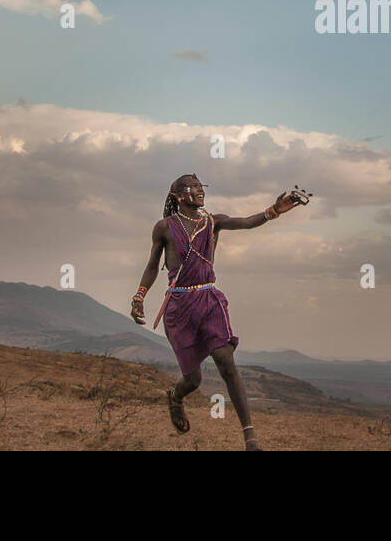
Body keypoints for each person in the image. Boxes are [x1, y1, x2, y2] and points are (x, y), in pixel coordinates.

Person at [131, 174, 306, 450]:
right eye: (194, 187)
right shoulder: (164, 228)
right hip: (178, 308)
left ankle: (250, 438)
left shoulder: (213, 222)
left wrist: (274, 211)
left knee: (225, 361)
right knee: (194, 379)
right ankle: (176, 397)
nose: (200, 191)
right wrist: (140, 295)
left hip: (209, 300)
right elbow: (153, 264)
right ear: (178, 195)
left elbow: (248, 222)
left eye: (202, 187)